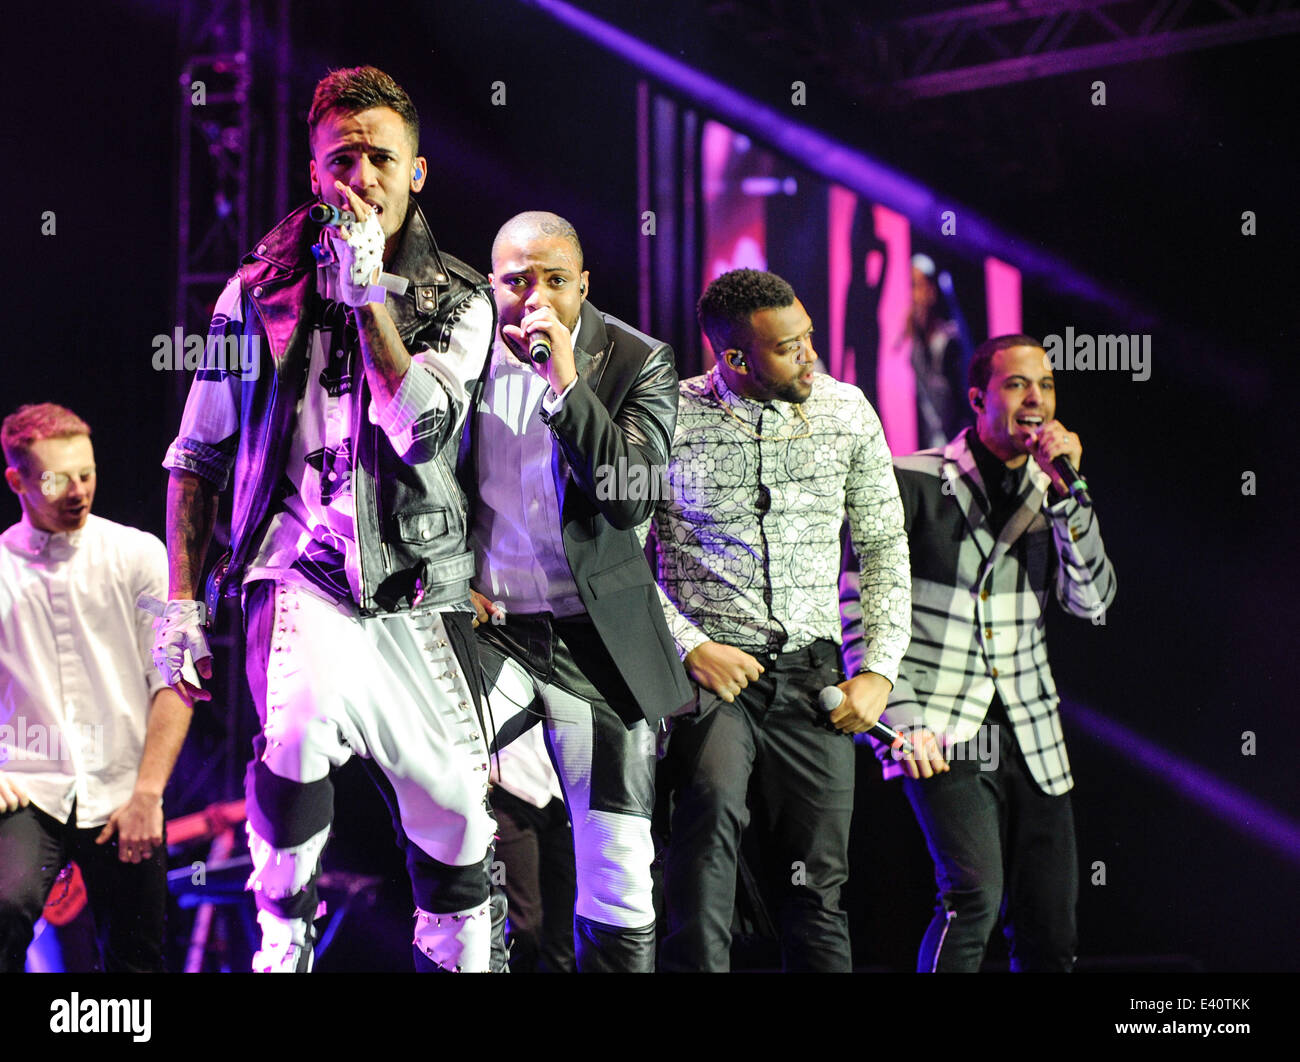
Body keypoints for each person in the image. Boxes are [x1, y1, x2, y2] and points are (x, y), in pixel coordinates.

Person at [159, 66, 499, 972]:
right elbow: (195, 458)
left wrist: (367, 295)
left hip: (417, 587)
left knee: (462, 817)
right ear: (314, 172)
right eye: (341, 157)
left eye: (381, 157)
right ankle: (281, 936)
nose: (362, 176)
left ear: (416, 173)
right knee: (302, 724)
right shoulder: (254, 293)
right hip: (298, 566)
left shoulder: (465, 299)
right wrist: (179, 614)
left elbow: (420, 431)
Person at [653, 268, 912, 972]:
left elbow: (885, 547)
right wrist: (691, 644)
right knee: (705, 849)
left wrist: (880, 671)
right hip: (712, 676)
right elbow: (615, 558)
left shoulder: (848, 412)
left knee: (817, 884)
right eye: (788, 347)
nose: (809, 356)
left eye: (808, 339)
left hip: (812, 679)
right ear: (734, 358)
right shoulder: (668, 415)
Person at [466, 210, 694, 972]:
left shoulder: (638, 360)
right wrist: (452, 574)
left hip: (596, 645)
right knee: (464, 837)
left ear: (583, 285)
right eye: (517, 281)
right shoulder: (460, 353)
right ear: (490, 282)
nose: (536, 298)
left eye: (555, 281)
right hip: (489, 636)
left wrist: (564, 383)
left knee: (619, 869)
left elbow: (629, 498)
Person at [845, 334, 1116, 972]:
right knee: (973, 898)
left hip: (1032, 732)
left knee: (1051, 930)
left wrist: (1070, 504)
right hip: (940, 726)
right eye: (1018, 384)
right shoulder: (911, 478)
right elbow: (858, 606)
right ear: (977, 398)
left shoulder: (1055, 494)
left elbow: (1094, 603)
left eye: (1046, 386)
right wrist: (901, 722)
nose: (1036, 399)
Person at [0, 403, 193, 972]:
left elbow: (175, 680)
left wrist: (148, 796)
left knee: (138, 957)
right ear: (18, 481)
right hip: (29, 786)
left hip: (124, 791)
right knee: (5, 906)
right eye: (57, 480)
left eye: (86, 474)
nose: (78, 491)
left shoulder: (139, 555)